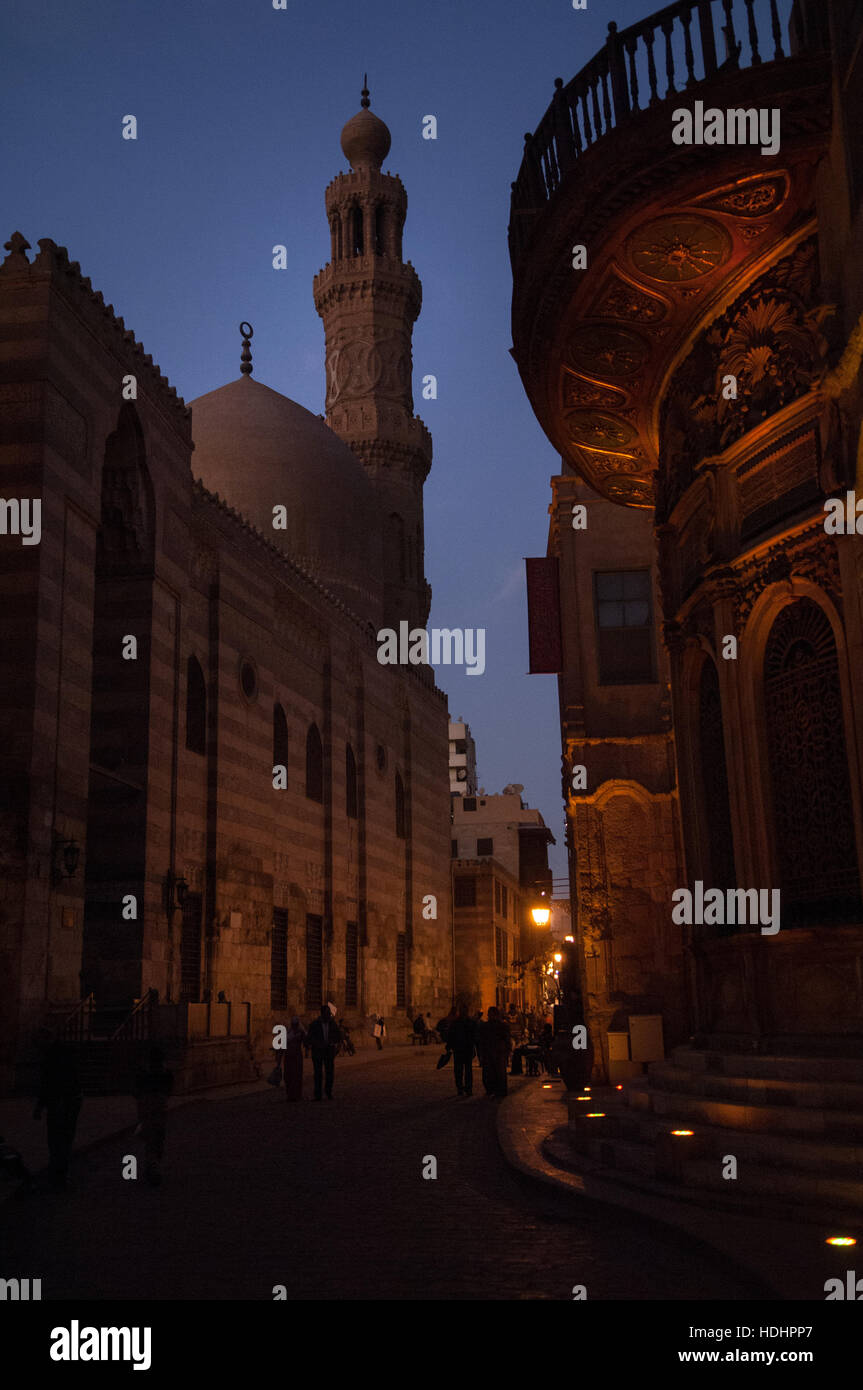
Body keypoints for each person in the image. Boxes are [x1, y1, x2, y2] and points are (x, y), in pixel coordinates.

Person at [34, 1036, 83, 1190]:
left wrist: (41, 1106)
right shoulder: (63, 1057)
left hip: (61, 1103)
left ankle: (58, 1174)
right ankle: (59, 1174)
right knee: (63, 1139)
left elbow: (47, 1084)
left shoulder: (53, 1061)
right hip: (67, 1102)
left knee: (57, 1139)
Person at [133, 1046, 174, 1186]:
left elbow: (136, 1090)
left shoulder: (143, 1073)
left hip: (146, 1105)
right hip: (159, 1105)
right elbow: (169, 1089)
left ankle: (151, 1166)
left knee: (149, 1136)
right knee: (157, 1136)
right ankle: (154, 1167)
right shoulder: (165, 1073)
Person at [306, 1005, 341, 1099]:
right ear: (322, 1014)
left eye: (329, 1014)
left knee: (329, 1073)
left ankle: (328, 1092)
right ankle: (318, 1094)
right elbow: (310, 1038)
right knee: (318, 1073)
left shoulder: (332, 1024)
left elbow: (338, 1035)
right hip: (318, 1052)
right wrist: (317, 1044)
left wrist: (334, 1044)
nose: (328, 1016)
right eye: (326, 1014)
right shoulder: (314, 1024)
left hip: (329, 1051)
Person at [480, 1007, 511, 1098]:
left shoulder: (501, 1026)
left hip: (498, 1052)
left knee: (498, 1072)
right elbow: (482, 1040)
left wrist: (507, 1051)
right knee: (491, 1072)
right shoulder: (486, 1026)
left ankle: (497, 1090)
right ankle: (493, 1090)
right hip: (492, 1052)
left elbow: (506, 1039)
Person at [446, 1006, 476, 1097]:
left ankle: (460, 1088)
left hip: (459, 1049)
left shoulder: (455, 1023)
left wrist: (449, 1046)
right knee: (467, 1070)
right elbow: (474, 1036)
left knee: (459, 1070)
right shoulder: (470, 1022)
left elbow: (450, 1036)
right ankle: (468, 1089)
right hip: (466, 1049)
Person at [282, 1016, 306, 1101]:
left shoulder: (300, 1032)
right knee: (288, 1075)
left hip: (297, 1056)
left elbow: (305, 1042)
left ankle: (297, 1095)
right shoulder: (288, 1032)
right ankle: (290, 1095)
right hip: (289, 1056)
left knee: (297, 1075)